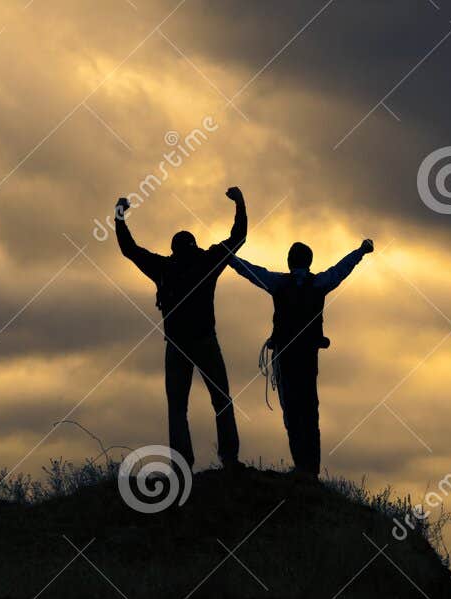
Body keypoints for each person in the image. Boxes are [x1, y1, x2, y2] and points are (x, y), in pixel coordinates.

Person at [114, 187, 247, 469]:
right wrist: (239, 202)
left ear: (173, 249)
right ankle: (230, 459)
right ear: (194, 246)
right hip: (204, 342)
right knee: (221, 400)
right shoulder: (206, 262)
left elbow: (129, 249)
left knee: (177, 409)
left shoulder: (164, 268)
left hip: (177, 346)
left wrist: (119, 216)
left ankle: (182, 463)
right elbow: (239, 237)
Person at [228, 238, 374, 479]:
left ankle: (302, 467)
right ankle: (310, 471)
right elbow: (341, 268)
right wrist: (361, 251)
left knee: (292, 411)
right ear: (310, 261)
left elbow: (251, 272)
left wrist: (230, 258)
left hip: (285, 357)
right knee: (309, 410)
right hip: (308, 358)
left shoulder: (278, 283)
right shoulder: (318, 284)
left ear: (289, 262)